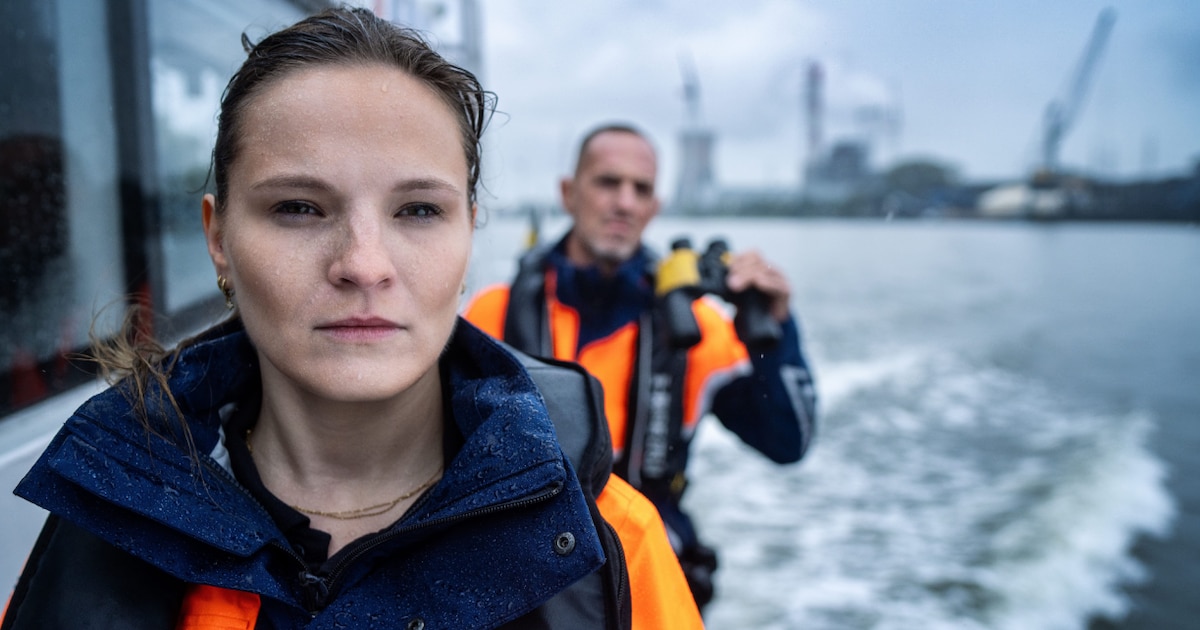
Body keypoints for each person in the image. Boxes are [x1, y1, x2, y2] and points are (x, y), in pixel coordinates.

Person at [1, 9, 702, 629]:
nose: (364, 265)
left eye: (418, 210)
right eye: (298, 208)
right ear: (218, 238)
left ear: (468, 235)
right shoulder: (109, 517)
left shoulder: (611, 545)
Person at [464, 123, 818, 609]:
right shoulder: (492, 316)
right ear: (568, 194)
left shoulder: (699, 330)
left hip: (647, 574)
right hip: (518, 577)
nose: (624, 203)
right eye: (608, 182)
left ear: (655, 207)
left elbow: (787, 441)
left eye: (641, 189)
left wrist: (775, 334)